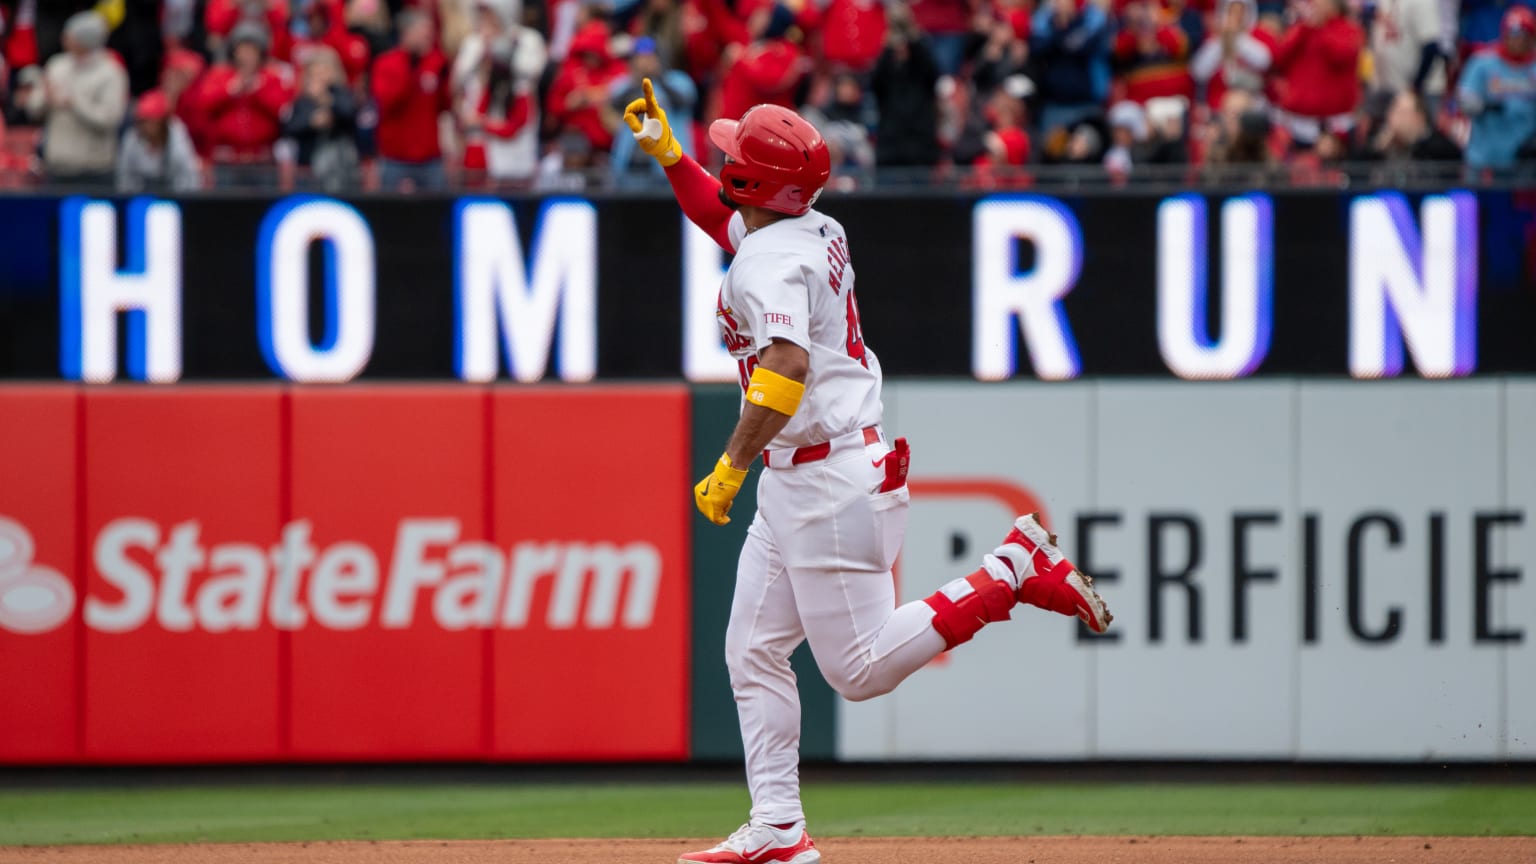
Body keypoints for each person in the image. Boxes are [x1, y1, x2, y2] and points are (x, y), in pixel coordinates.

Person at [621, 77, 1112, 864]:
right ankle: (779, 827)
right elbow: (728, 219)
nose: (722, 164)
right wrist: (674, 157)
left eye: (730, 158)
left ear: (755, 183)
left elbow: (782, 363)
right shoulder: (809, 226)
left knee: (857, 670)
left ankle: (1012, 569)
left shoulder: (767, 264)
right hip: (813, 470)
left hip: (825, 475)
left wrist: (729, 465)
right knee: (749, 649)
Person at [26, 11, 127, 186]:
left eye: (70, 35)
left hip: (95, 171)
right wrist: (44, 99)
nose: (64, 38)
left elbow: (109, 119)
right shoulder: (57, 65)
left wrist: (74, 102)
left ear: (86, 39)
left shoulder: (111, 73)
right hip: (56, 169)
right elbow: (33, 108)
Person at [371, 9, 450, 192]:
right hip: (395, 156)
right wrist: (412, 69)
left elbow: (444, 106)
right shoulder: (386, 63)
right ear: (407, 33)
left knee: (436, 211)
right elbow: (388, 102)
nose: (428, 37)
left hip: (430, 156)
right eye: (423, 32)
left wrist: (446, 80)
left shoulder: (435, 61)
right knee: (390, 210)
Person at [1270, 0, 1364, 146]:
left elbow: (1341, 56)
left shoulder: (1349, 29)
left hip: (1335, 125)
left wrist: (1321, 30)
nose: (1315, 5)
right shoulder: (1302, 29)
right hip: (1298, 123)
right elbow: (1280, 58)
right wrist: (1304, 30)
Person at [1457, 6, 1536, 173]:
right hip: (1485, 158)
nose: (1518, 41)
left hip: (1525, 160)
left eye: (1523, 36)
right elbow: (1464, 99)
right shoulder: (1483, 62)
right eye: (1513, 35)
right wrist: (1484, 106)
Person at [609, 35, 695, 185]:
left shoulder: (678, 81)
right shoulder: (626, 84)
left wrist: (659, 76)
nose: (645, 62)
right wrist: (638, 80)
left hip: (670, 168)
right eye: (640, 58)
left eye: (650, 57)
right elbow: (615, 102)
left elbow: (684, 100)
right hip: (629, 167)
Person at [282, 45, 359, 190]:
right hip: (308, 166)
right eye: (315, 71)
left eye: (324, 70)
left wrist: (326, 99)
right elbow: (290, 128)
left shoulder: (342, 93)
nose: (319, 75)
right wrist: (312, 121)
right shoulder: (303, 99)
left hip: (339, 167)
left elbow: (349, 115)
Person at [1189, 0, 1276, 110]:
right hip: (1220, 103)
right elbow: (1199, 72)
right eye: (1231, 12)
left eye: (1241, 12)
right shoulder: (1214, 39)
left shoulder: (1259, 34)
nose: (1236, 17)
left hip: (1253, 99)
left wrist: (1238, 38)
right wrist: (1221, 41)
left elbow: (1265, 62)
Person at [116, 88, 201, 192]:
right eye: (143, 122)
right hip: (141, 196)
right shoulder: (132, 138)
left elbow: (189, 176)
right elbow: (125, 177)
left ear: (163, 122)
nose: (147, 127)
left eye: (152, 122)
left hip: (174, 194)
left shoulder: (177, 137)